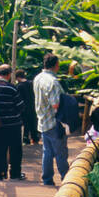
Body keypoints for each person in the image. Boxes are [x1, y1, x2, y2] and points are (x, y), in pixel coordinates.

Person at [33, 54, 69, 187]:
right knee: (60, 152)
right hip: (54, 122)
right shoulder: (52, 82)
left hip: (43, 120)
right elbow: (56, 104)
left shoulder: (38, 78)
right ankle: (66, 180)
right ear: (56, 65)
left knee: (47, 152)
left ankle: (47, 179)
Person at [0, 64, 25, 178]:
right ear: (9, 74)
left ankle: (1, 172)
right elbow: (20, 106)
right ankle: (15, 174)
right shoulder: (11, 88)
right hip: (13, 124)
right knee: (15, 150)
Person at [15, 68, 39, 146]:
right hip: (33, 106)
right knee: (33, 122)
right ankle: (35, 138)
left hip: (23, 108)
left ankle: (26, 139)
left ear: (17, 77)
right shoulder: (32, 83)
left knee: (25, 124)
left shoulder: (18, 86)